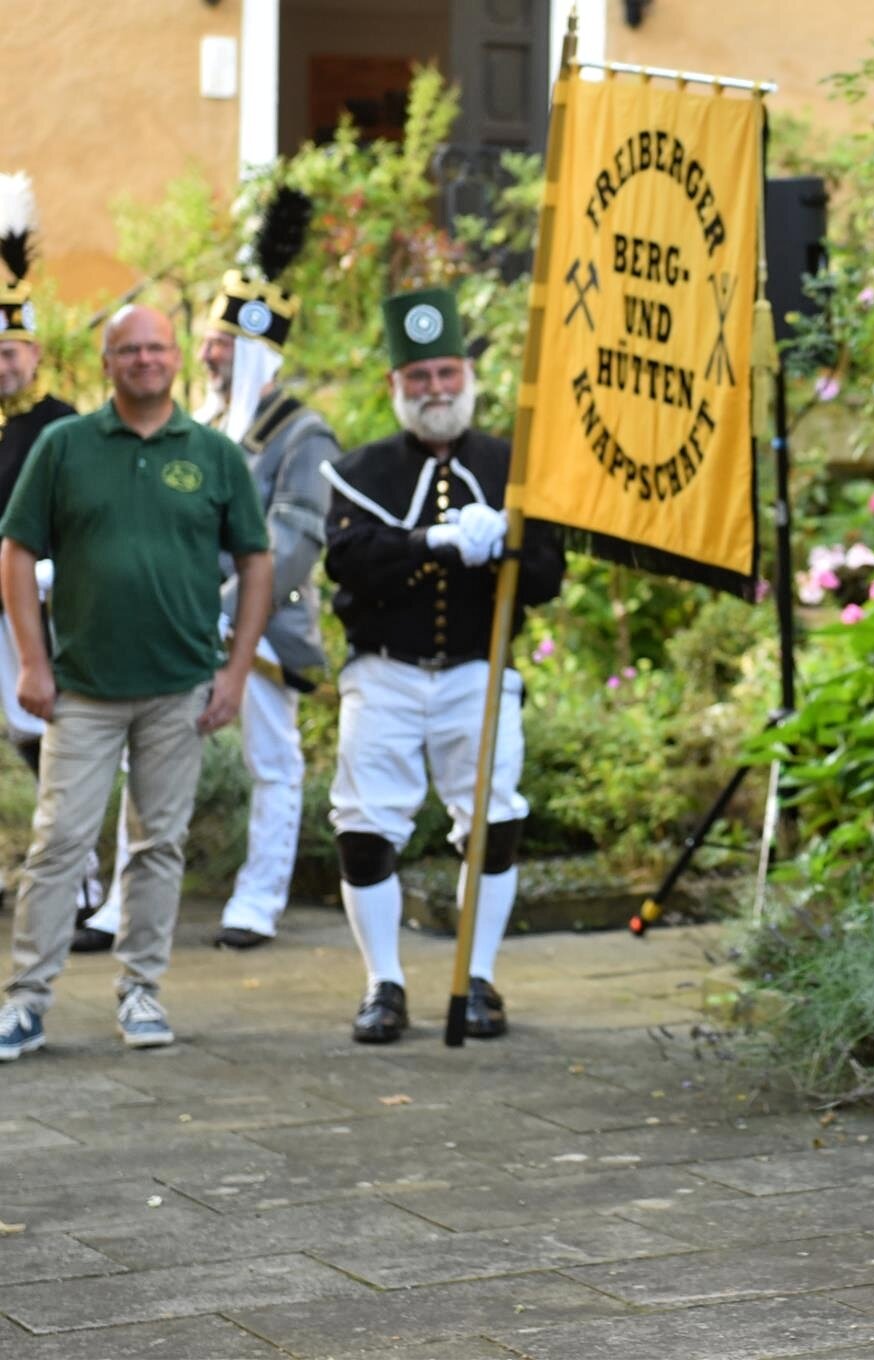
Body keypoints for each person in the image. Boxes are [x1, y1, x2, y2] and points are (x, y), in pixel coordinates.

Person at [0, 305, 271, 1061]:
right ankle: (26, 1000)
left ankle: (141, 989)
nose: (145, 359)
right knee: (60, 844)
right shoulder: (64, 447)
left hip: (180, 687)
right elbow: (16, 552)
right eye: (129, 349)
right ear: (108, 362)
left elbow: (256, 562)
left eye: (156, 347)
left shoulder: (215, 455)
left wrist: (236, 672)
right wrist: (31, 659)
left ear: (176, 358)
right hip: (82, 687)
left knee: (158, 845)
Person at [78, 190, 337, 953]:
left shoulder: (303, 433)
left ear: (255, 348)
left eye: (221, 345)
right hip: (175, 627)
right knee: (147, 763)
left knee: (272, 762)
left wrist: (225, 608)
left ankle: (257, 900)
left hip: (261, 632)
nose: (205, 355)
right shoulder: (195, 428)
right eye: (209, 341)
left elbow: (294, 539)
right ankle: (121, 906)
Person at [322, 286, 562, 1045]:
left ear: (468, 377)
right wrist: (432, 543)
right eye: (418, 378)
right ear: (396, 387)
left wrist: (506, 549)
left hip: (476, 672)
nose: (435, 391)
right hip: (385, 673)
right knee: (365, 829)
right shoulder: (361, 470)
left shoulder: (513, 462)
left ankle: (478, 976)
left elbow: (551, 576)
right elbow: (348, 561)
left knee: (492, 822)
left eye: (447, 374)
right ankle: (383, 984)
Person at [0, 171, 104, 920]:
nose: (3, 362)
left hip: (36, 607)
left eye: (13, 351)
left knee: (48, 739)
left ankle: (80, 879)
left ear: (35, 353)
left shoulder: (65, 425)